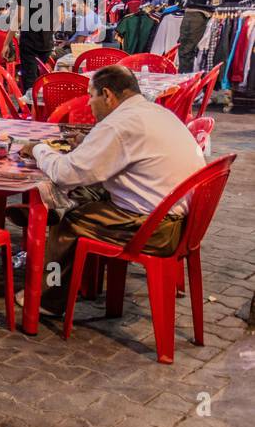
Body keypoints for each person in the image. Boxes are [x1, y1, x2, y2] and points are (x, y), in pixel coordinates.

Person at [17, 65, 205, 312]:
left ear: (107, 95)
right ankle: (50, 215)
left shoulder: (119, 124)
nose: (89, 104)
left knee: (68, 223)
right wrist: (88, 144)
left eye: (91, 96)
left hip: (155, 227)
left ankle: (47, 298)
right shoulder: (153, 112)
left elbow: (65, 174)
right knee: (84, 193)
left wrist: (38, 149)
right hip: (180, 219)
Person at [12, 0, 65, 90]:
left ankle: (30, 110)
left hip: (28, 41)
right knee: (41, 76)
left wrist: (6, 43)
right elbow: (60, 18)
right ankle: (36, 108)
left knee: (29, 78)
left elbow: (18, 18)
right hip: (46, 42)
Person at [171, 0, 218, 73]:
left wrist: (170, 4)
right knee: (202, 49)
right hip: (205, 11)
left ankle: (185, 76)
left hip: (187, 11)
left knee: (186, 48)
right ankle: (197, 77)